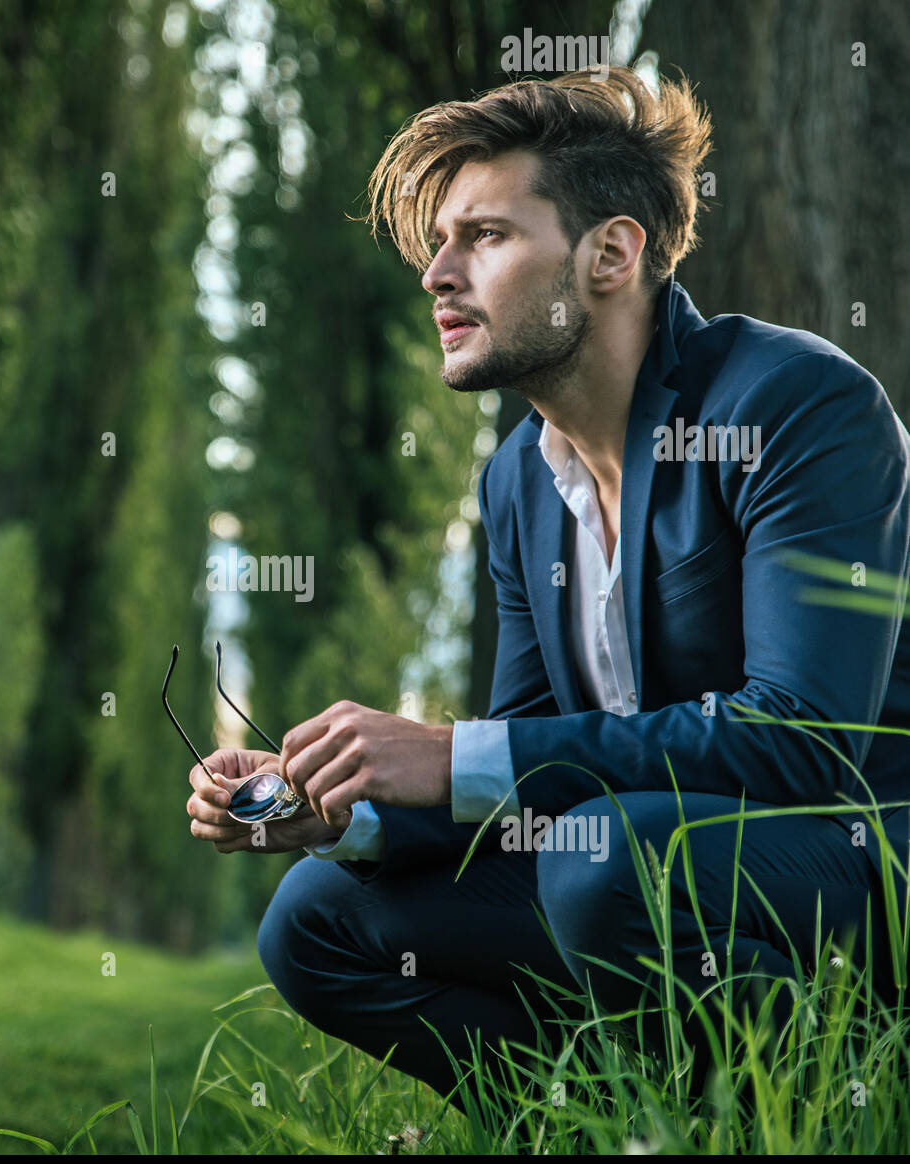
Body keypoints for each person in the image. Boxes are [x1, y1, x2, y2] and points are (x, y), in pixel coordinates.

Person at [184, 67, 910, 1107]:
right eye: (439, 242)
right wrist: (344, 811)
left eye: (482, 236)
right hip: (638, 863)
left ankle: (814, 1121)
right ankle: (594, 1128)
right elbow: (519, 776)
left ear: (609, 253)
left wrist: (445, 750)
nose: (437, 274)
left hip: (864, 847)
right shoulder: (520, 479)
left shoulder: (795, 403)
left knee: (603, 860)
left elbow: (800, 740)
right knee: (317, 916)